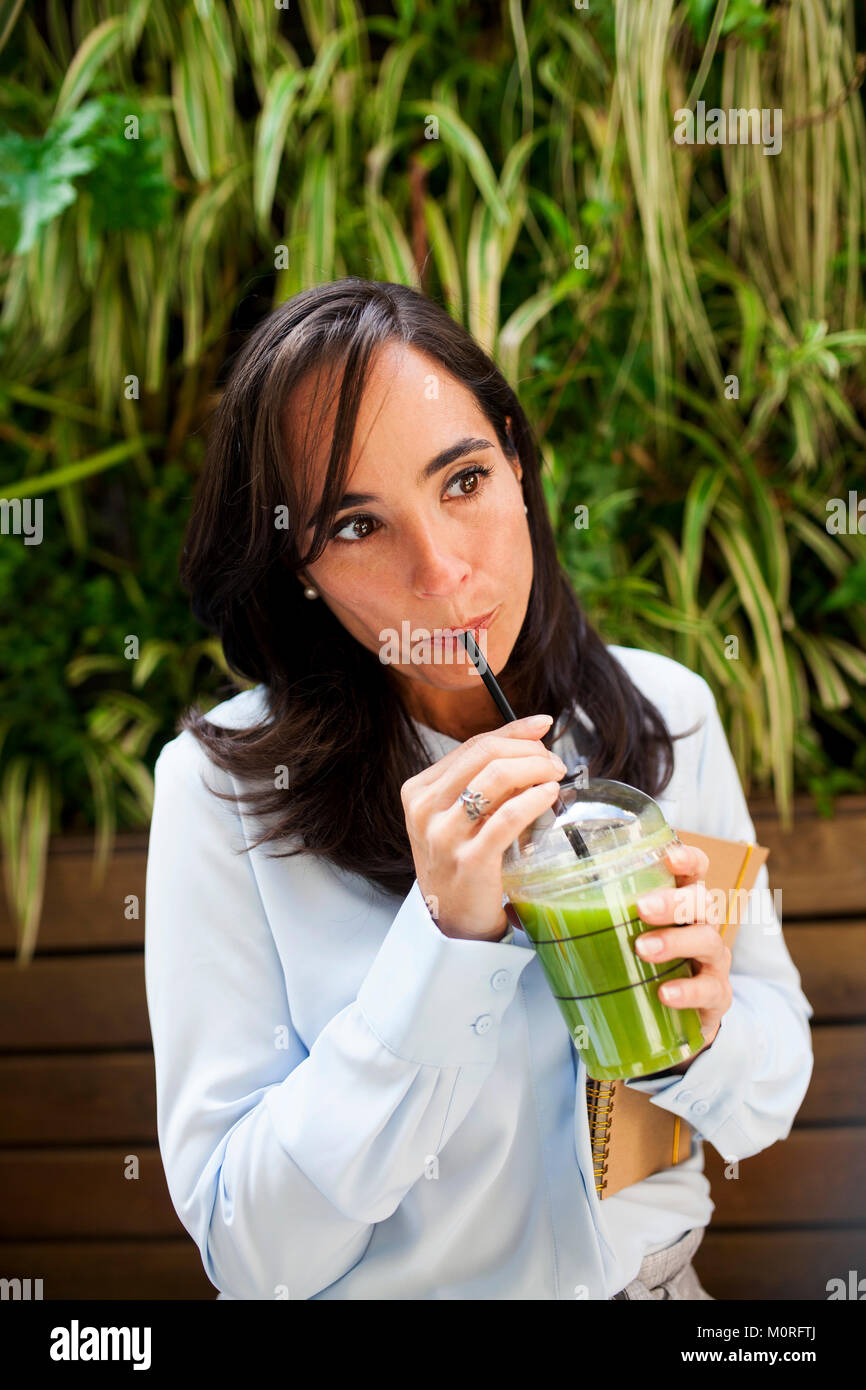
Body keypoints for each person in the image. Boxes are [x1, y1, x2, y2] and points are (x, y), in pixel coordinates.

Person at [144, 278, 814, 1300]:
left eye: (460, 480)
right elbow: (250, 1255)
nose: (444, 575)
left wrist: (707, 1033)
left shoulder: (662, 718)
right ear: (299, 567)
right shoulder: (220, 794)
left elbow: (767, 1097)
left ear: (513, 455)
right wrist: (440, 946)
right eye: (357, 525)